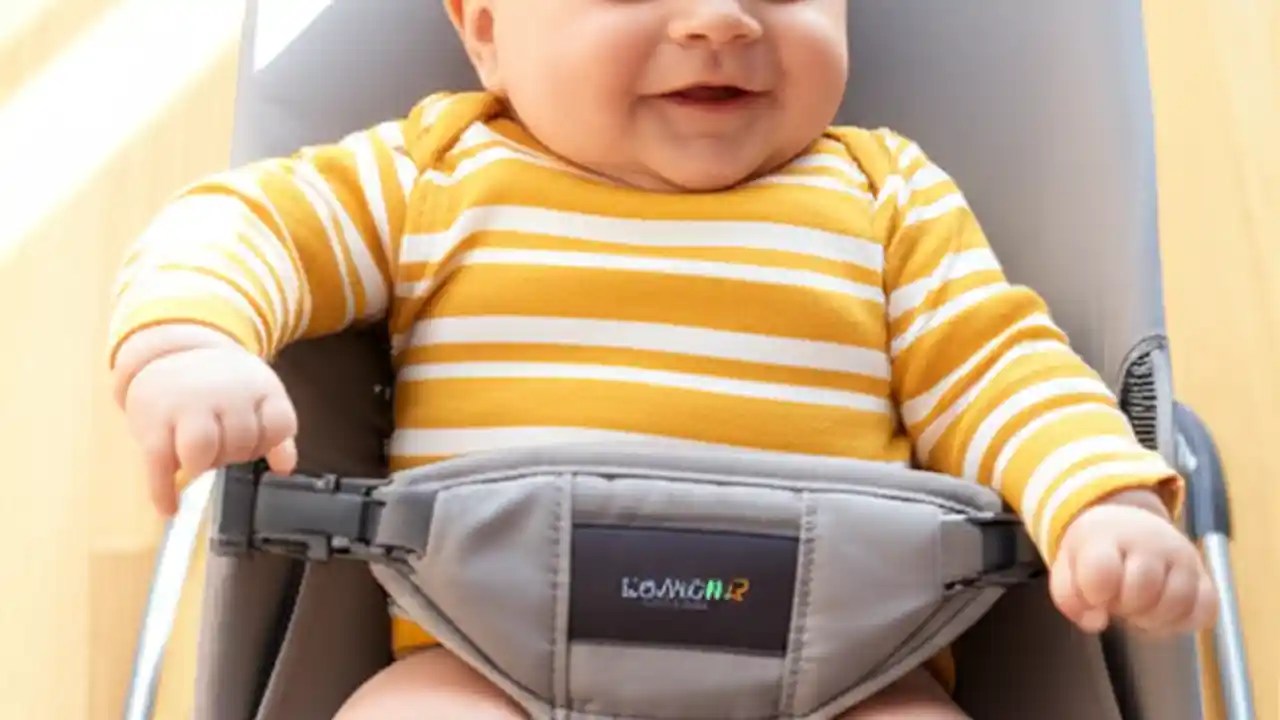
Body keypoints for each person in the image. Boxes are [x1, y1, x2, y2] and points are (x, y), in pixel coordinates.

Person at [107, 0, 1217, 717]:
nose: (720, 20)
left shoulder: (884, 198)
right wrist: (188, 342)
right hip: (488, 664)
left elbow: (998, 366)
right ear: (485, 25)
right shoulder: (436, 175)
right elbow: (246, 224)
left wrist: (1098, 498)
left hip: (853, 675)